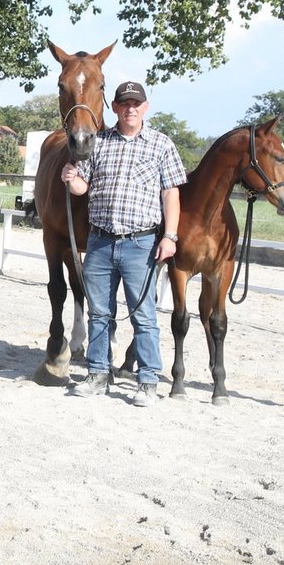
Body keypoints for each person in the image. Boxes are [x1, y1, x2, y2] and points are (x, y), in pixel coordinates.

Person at [60, 80, 187, 407]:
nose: (130, 109)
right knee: (99, 314)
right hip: (100, 242)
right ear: (114, 107)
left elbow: (171, 194)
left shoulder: (161, 144)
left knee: (143, 316)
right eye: (124, 104)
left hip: (140, 243)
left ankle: (148, 380)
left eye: (136, 104)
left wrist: (170, 236)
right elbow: (83, 187)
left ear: (145, 107)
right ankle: (97, 374)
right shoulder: (99, 142)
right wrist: (71, 179)